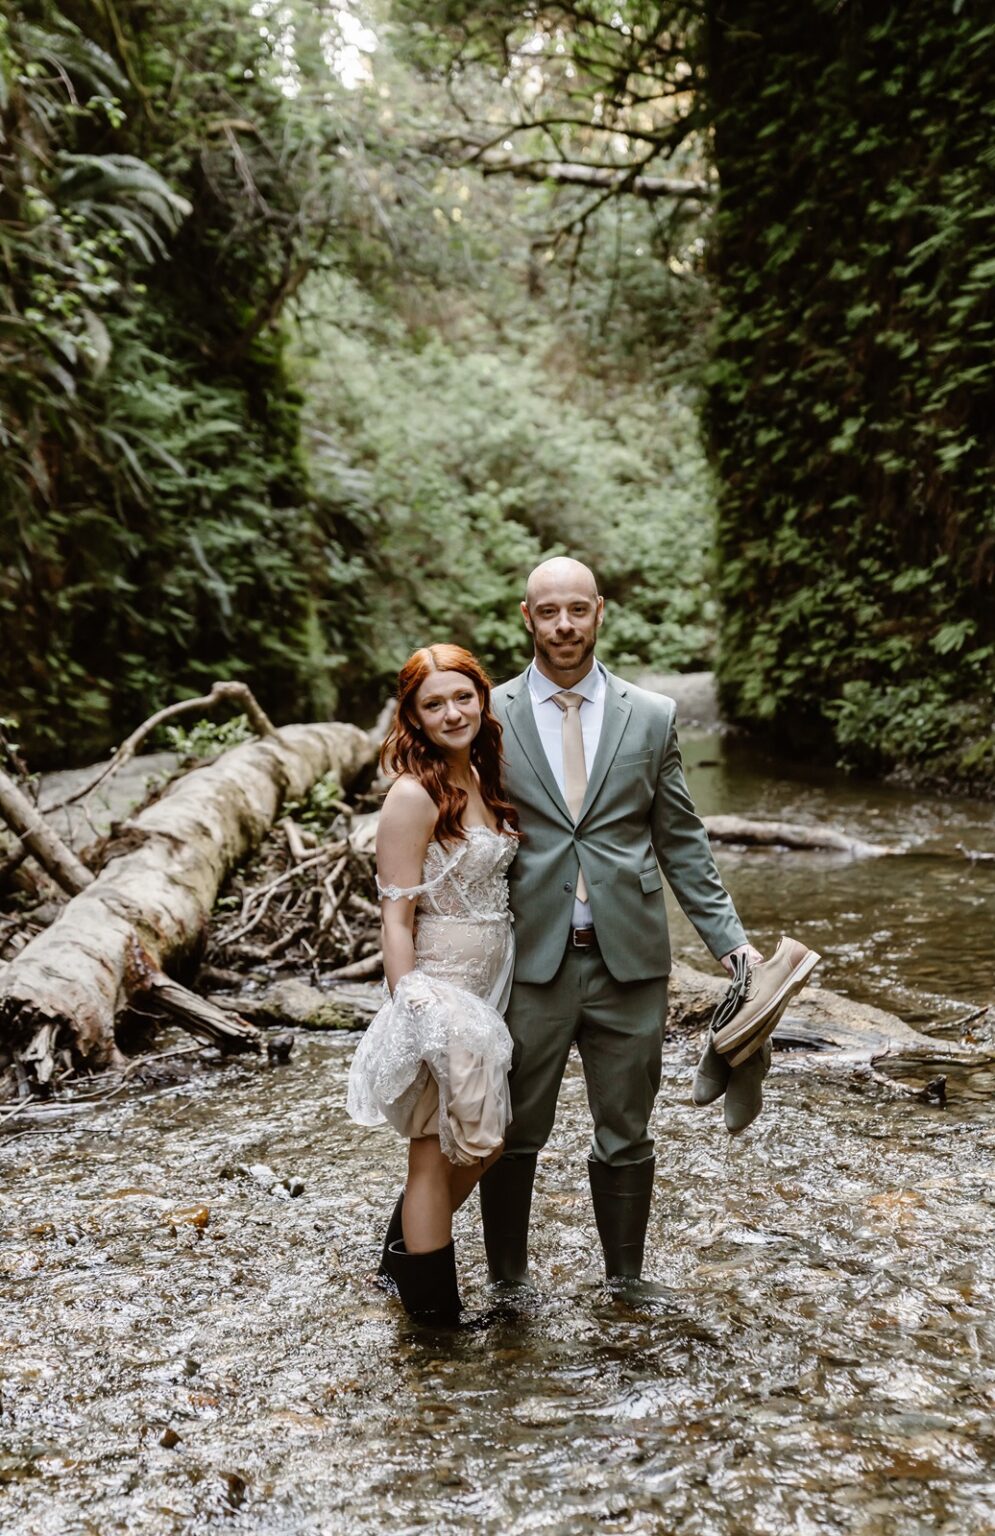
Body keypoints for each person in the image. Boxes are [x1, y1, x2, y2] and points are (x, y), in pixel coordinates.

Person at [478, 557, 762, 1289]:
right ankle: (507, 1285)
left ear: (599, 611)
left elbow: (680, 839)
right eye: (549, 612)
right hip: (527, 960)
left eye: (577, 609)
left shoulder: (653, 714)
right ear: (526, 616)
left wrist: (727, 939)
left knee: (627, 1130)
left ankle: (625, 1285)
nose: (564, 625)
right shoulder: (488, 715)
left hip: (629, 960)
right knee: (510, 1132)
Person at [346, 644, 519, 1324]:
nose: (452, 712)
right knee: (440, 1148)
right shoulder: (411, 795)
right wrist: (410, 997)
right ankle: (436, 1318)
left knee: (478, 1141)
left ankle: (403, 1265)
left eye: (463, 697)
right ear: (413, 717)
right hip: (439, 990)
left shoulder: (481, 773)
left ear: (482, 698)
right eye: (433, 704)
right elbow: (395, 913)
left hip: (492, 985)